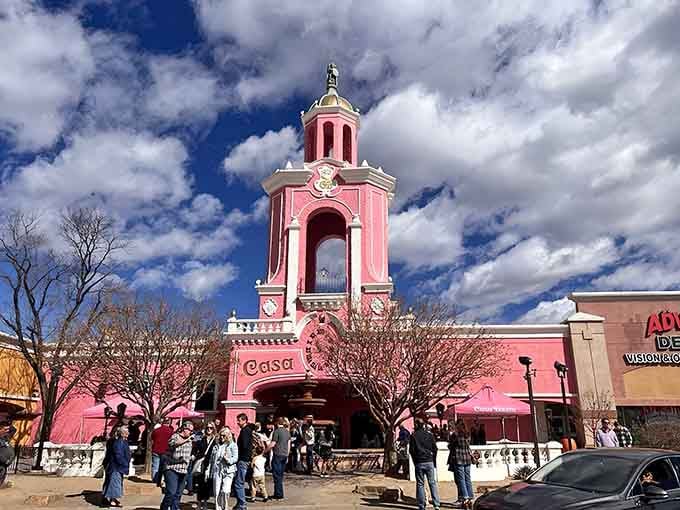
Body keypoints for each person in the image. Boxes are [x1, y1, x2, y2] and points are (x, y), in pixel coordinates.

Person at [161, 421, 194, 510]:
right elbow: (173, 443)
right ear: (184, 428)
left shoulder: (190, 440)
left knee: (178, 494)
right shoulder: (175, 436)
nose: (190, 432)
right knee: (171, 492)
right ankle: (164, 507)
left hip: (184, 470)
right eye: (189, 429)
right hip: (172, 468)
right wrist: (187, 440)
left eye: (192, 430)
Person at [410, 417, 440, 510]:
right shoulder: (429, 435)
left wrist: (415, 462)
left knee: (420, 484)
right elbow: (435, 449)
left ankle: (421, 505)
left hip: (419, 461)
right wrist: (433, 460)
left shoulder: (414, 436)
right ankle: (436, 504)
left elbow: (411, 450)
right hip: (429, 461)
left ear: (416, 425)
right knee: (432, 483)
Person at [102, 426, 131, 508]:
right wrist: (124, 463)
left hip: (117, 466)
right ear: (123, 433)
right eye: (127, 431)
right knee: (114, 483)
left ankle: (109, 498)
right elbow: (118, 454)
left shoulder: (122, 441)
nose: (128, 433)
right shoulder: (119, 442)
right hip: (116, 466)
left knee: (113, 482)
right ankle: (112, 500)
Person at [448, 419, 474, 509]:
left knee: (461, 479)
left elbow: (450, 446)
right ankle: (470, 497)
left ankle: (465, 497)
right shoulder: (467, 434)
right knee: (468, 478)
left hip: (459, 459)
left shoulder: (455, 435)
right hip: (467, 458)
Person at [211, 427, 238, 510]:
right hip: (217, 470)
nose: (222, 437)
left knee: (225, 490)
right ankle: (218, 507)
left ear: (227, 436)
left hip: (228, 471)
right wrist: (209, 470)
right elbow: (212, 459)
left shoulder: (233, 445)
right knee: (217, 490)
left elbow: (235, 458)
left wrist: (228, 460)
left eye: (224, 436)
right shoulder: (217, 446)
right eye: (221, 435)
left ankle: (225, 507)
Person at [193, 422, 217, 510]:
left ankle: (205, 503)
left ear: (213, 429)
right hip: (202, 464)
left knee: (207, 485)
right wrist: (194, 456)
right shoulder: (201, 439)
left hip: (211, 465)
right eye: (207, 428)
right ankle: (199, 503)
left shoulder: (215, 440)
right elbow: (195, 450)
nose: (209, 429)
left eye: (211, 428)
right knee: (200, 484)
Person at [234, 413, 253, 510]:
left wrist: (239, 456)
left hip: (243, 460)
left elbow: (244, 446)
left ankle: (242, 504)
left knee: (239, 483)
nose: (237, 422)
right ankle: (239, 503)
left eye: (239, 420)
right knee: (239, 482)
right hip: (245, 459)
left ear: (244, 420)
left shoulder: (245, 431)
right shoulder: (247, 430)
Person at [269, 417, 290, 499]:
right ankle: (279, 493)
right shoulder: (287, 432)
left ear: (277, 423)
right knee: (280, 475)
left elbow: (273, 444)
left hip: (277, 454)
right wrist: (287, 455)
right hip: (284, 455)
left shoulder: (276, 431)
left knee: (276, 475)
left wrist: (265, 451)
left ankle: (278, 494)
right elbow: (288, 445)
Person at [151, 418, 174, 484]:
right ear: (169, 423)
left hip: (156, 449)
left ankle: (155, 480)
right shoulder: (171, 431)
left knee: (155, 466)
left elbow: (152, 438)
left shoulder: (156, 430)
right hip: (166, 451)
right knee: (164, 466)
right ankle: (162, 480)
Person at [0, 420, 16, 488]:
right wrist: (5, 460)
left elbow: (14, 430)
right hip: (1, 463)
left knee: (2, 478)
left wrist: (9, 423)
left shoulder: (5, 438)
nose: (7, 431)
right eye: (5, 429)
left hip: (4, 465)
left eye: (7, 429)